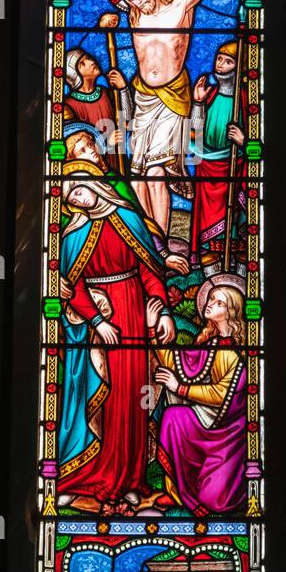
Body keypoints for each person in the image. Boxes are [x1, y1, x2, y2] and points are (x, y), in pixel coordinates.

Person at [91, 0, 221, 234]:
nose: (136, 0)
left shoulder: (180, 7)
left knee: (156, 173)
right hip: (141, 96)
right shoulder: (136, 16)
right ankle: (150, 238)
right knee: (138, 176)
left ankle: (161, 239)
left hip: (172, 96)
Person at [56, 168, 175, 513]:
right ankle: (81, 477)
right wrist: (96, 320)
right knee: (90, 395)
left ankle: (130, 480)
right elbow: (71, 285)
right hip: (94, 321)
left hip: (132, 311)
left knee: (130, 395)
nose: (75, 201)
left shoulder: (128, 218)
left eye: (77, 192)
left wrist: (163, 310)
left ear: (93, 185)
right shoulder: (73, 234)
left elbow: (150, 271)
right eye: (69, 199)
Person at [153, 277, 247, 515]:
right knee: (173, 417)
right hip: (207, 420)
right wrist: (153, 329)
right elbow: (180, 364)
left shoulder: (238, 350)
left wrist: (180, 388)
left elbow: (222, 394)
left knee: (215, 500)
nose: (210, 303)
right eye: (211, 298)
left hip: (232, 432)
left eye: (218, 302)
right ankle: (175, 491)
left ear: (231, 311)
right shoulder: (211, 343)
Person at [187, 42, 246, 272]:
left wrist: (244, 141)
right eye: (219, 59)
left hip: (235, 170)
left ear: (239, 66)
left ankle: (239, 279)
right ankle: (211, 278)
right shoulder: (209, 94)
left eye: (228, 61)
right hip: (207, 170)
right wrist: (198, 103)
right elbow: (195, 136)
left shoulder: (245, 100)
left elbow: (262, 143)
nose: (220, 65)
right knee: (208, 232)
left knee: (237, 230)